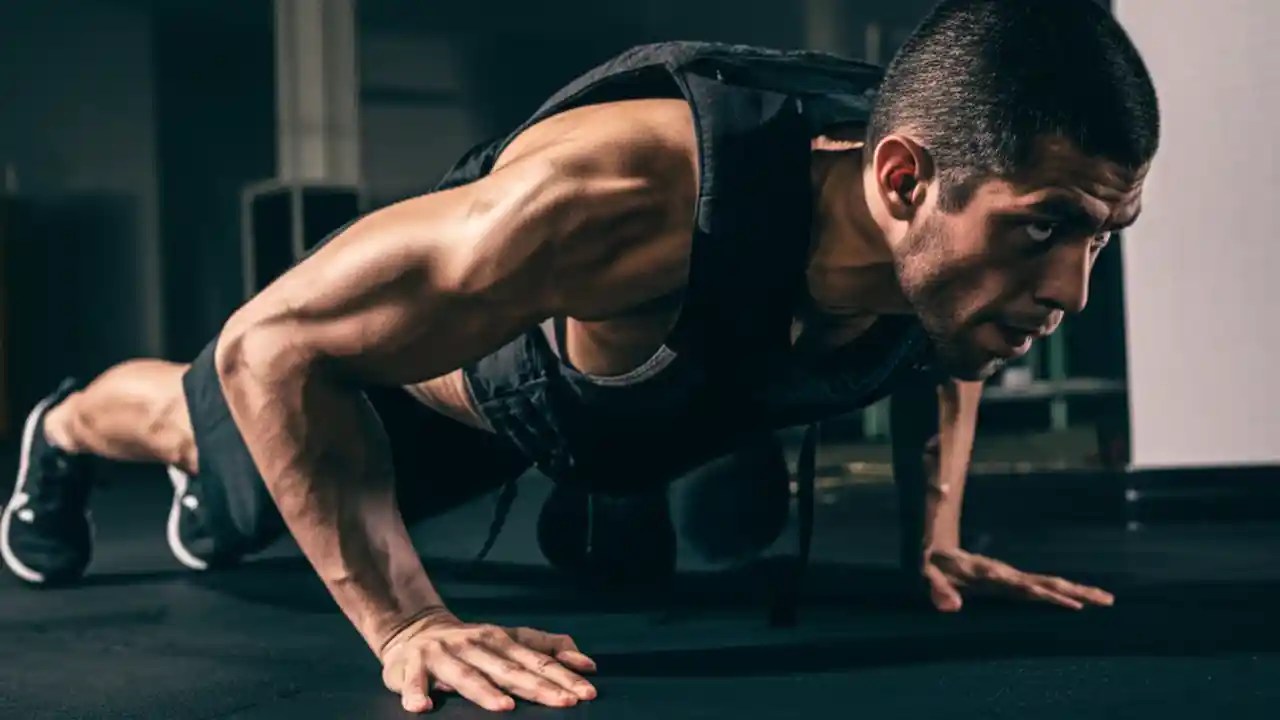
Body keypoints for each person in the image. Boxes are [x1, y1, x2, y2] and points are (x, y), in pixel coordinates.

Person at [2, 0, 1157, 714]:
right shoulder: (612, 197)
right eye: (1045, 226)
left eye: (1100, 236)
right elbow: (276, 344)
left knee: (710, 540)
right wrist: (410, 625)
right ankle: (63, 427)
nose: (1067, 290)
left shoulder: (951, 230)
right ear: (900, 180)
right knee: (217, 448)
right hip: (419, 410)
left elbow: (949, 341)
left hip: (642, 420)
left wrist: (933, 540)